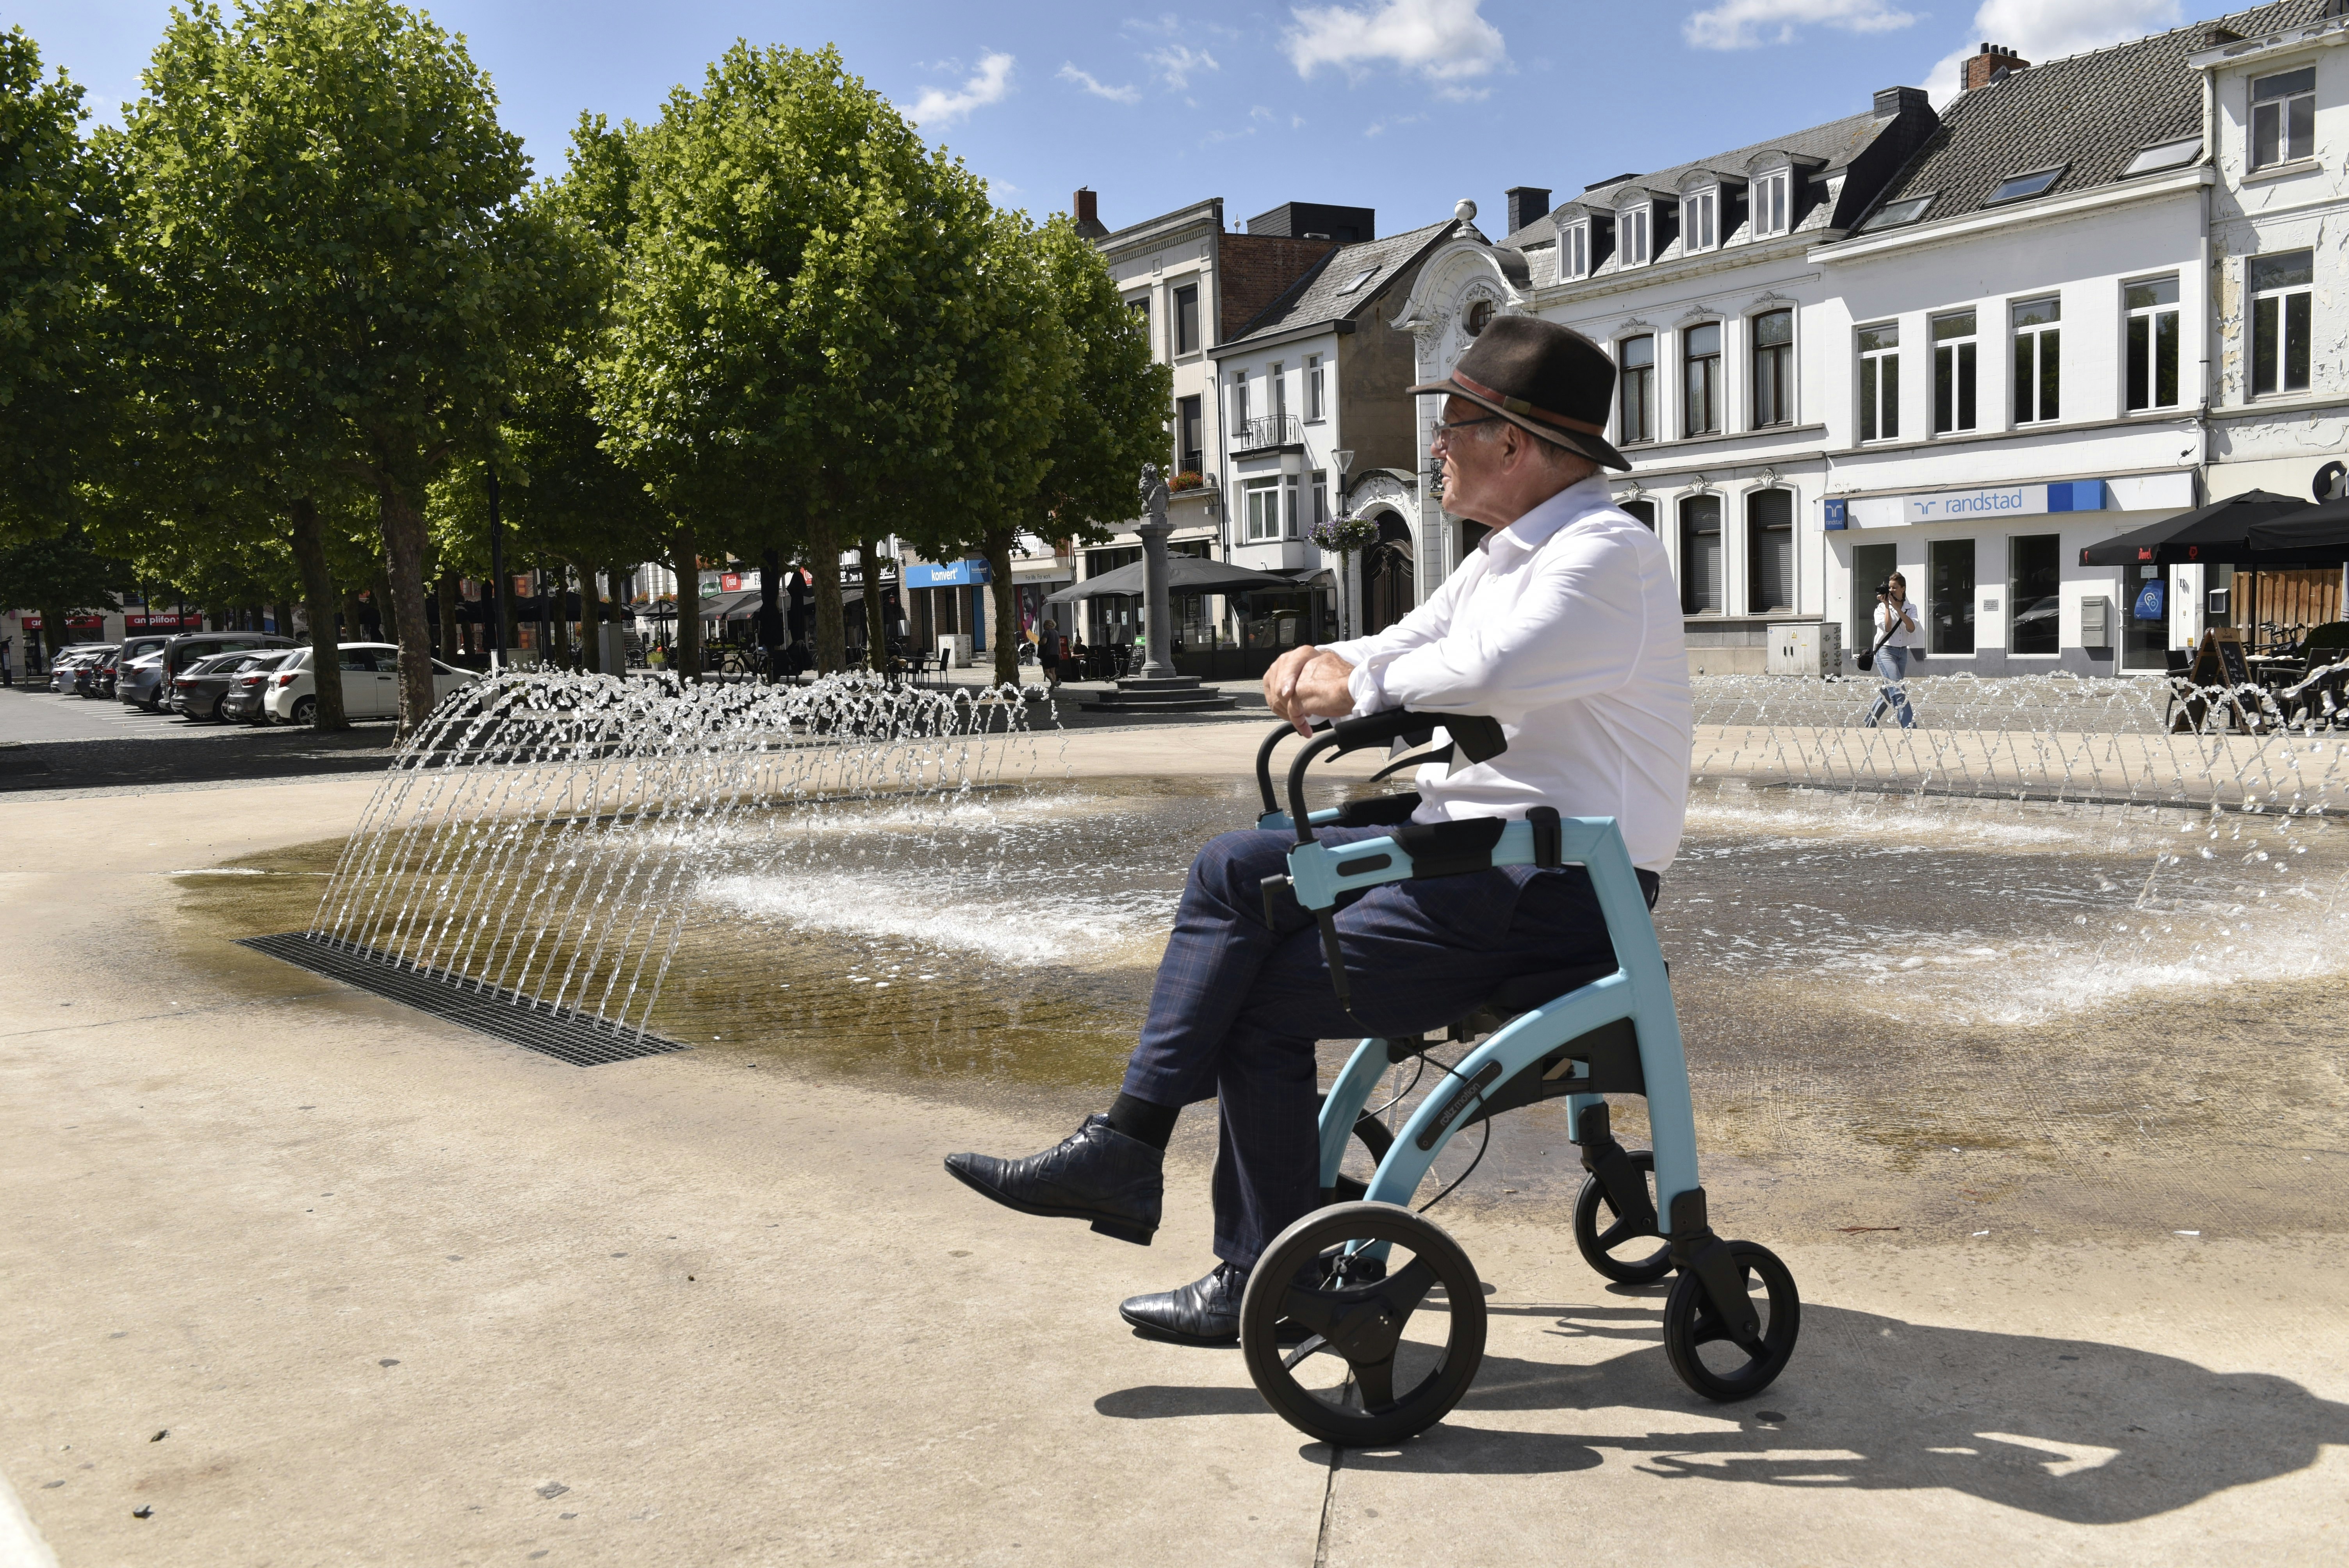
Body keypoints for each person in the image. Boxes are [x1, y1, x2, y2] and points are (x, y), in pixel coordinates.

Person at [945, 316, 1693, 1343]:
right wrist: (1325, 659)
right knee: (1234, 865)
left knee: (1262, 1002)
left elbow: (1497, 669)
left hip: (1553, 894)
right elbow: (1411, 639)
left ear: (1511, 443)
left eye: (1452, 425)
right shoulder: (1509, 554)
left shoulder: (1606, 554)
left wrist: (1364, 680)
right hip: (1490, 861)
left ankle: (1255, 1274)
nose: (1435, 445)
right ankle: (1128, 1145)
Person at [1864, 572, 1920, 729]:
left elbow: (1911, 628)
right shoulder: (1881, 608)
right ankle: (1910, 727)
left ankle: (1870, 722)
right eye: (1890, 588)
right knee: (1898, 689)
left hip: (1902, 653)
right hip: (1885, 652)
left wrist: (1898, 608)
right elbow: (1888, 627)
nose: (1891, 590)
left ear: (1903, 589)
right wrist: (1889, 607)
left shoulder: (1911, 608)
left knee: (1889, 691)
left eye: (1895, 588)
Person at [1037, 618, 1064, 690]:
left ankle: (1053, 681)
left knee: (1046, 672)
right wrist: (1060, 653)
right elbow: (1059, 645)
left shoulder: (1047, 633)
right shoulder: (1057, 633)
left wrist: (1040, 643)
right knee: (1053, 671)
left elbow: (1044, 642)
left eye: (1044, 625)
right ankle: (1053, 687)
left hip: (1048, 654)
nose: (1044, 627)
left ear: (1049, 626)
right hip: (1055, 655)